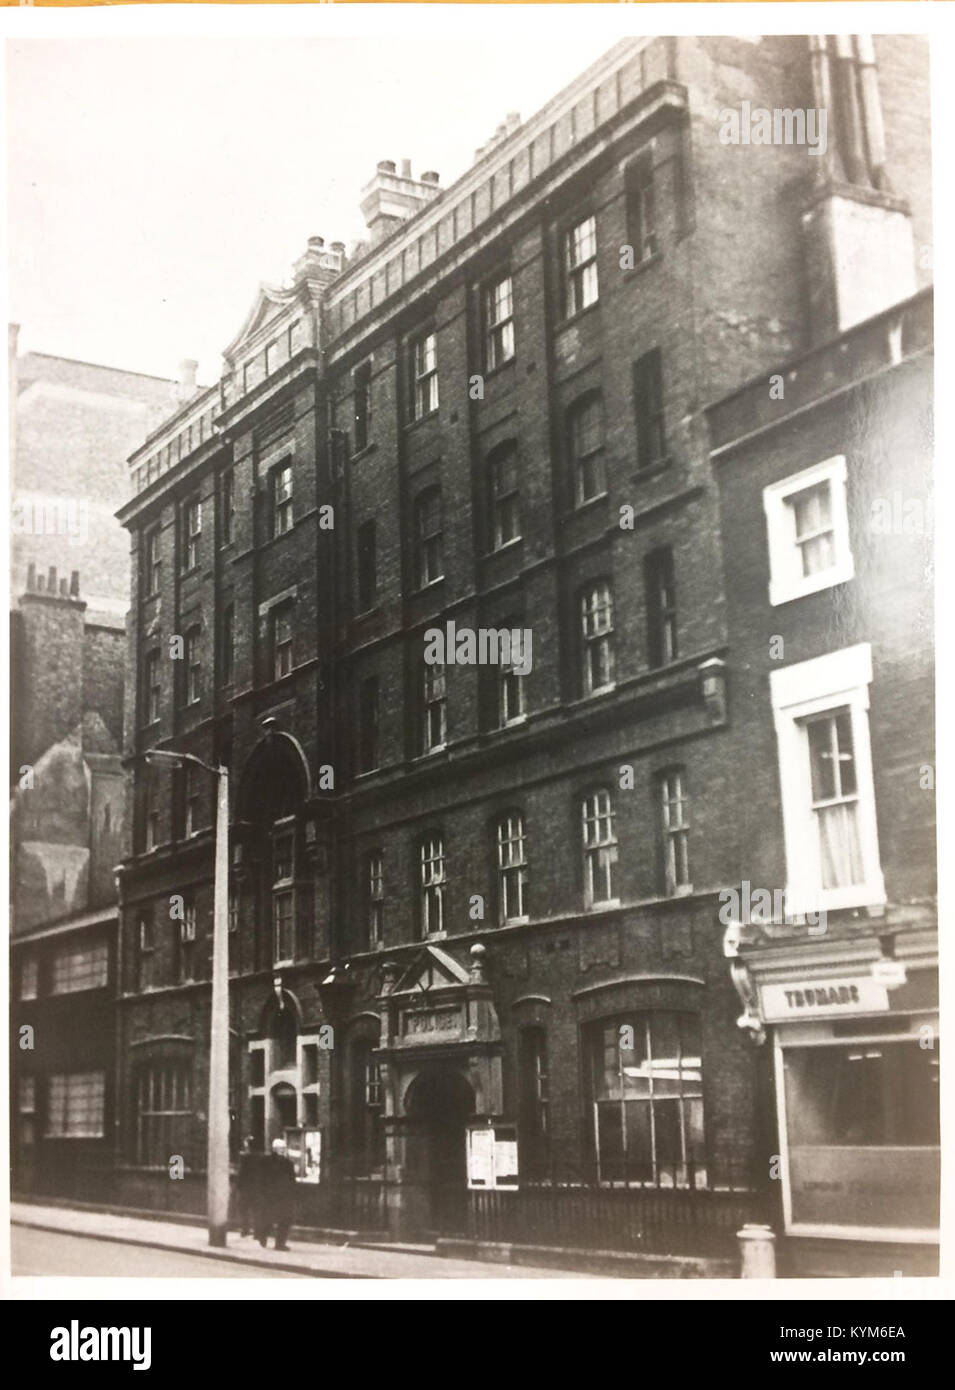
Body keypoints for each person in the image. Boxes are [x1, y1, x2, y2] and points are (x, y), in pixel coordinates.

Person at [255, 1137, 297, 1250]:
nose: (282, 1150)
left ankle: (265, 1238)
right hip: (279, 1195)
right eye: (281, 1148)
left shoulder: (265, 1161)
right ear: (275, 1149)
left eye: (283, 1148)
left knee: (271, 1218)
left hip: (272, 1195)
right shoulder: (287, 1163)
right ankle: (278, 1243)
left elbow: (260, 1178)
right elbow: (291, 1180)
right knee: (283, 1220)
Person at [235, 1136, 259, 1238]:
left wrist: (238, 1185)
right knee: (256, 1210)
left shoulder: (245, 1158)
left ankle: (245, 1229)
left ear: (248, 1145)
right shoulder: (259, 1157)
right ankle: (257, 1232)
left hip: (245, 1188)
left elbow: (242, 1173)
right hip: (256, 1187)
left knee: (243, 1209)